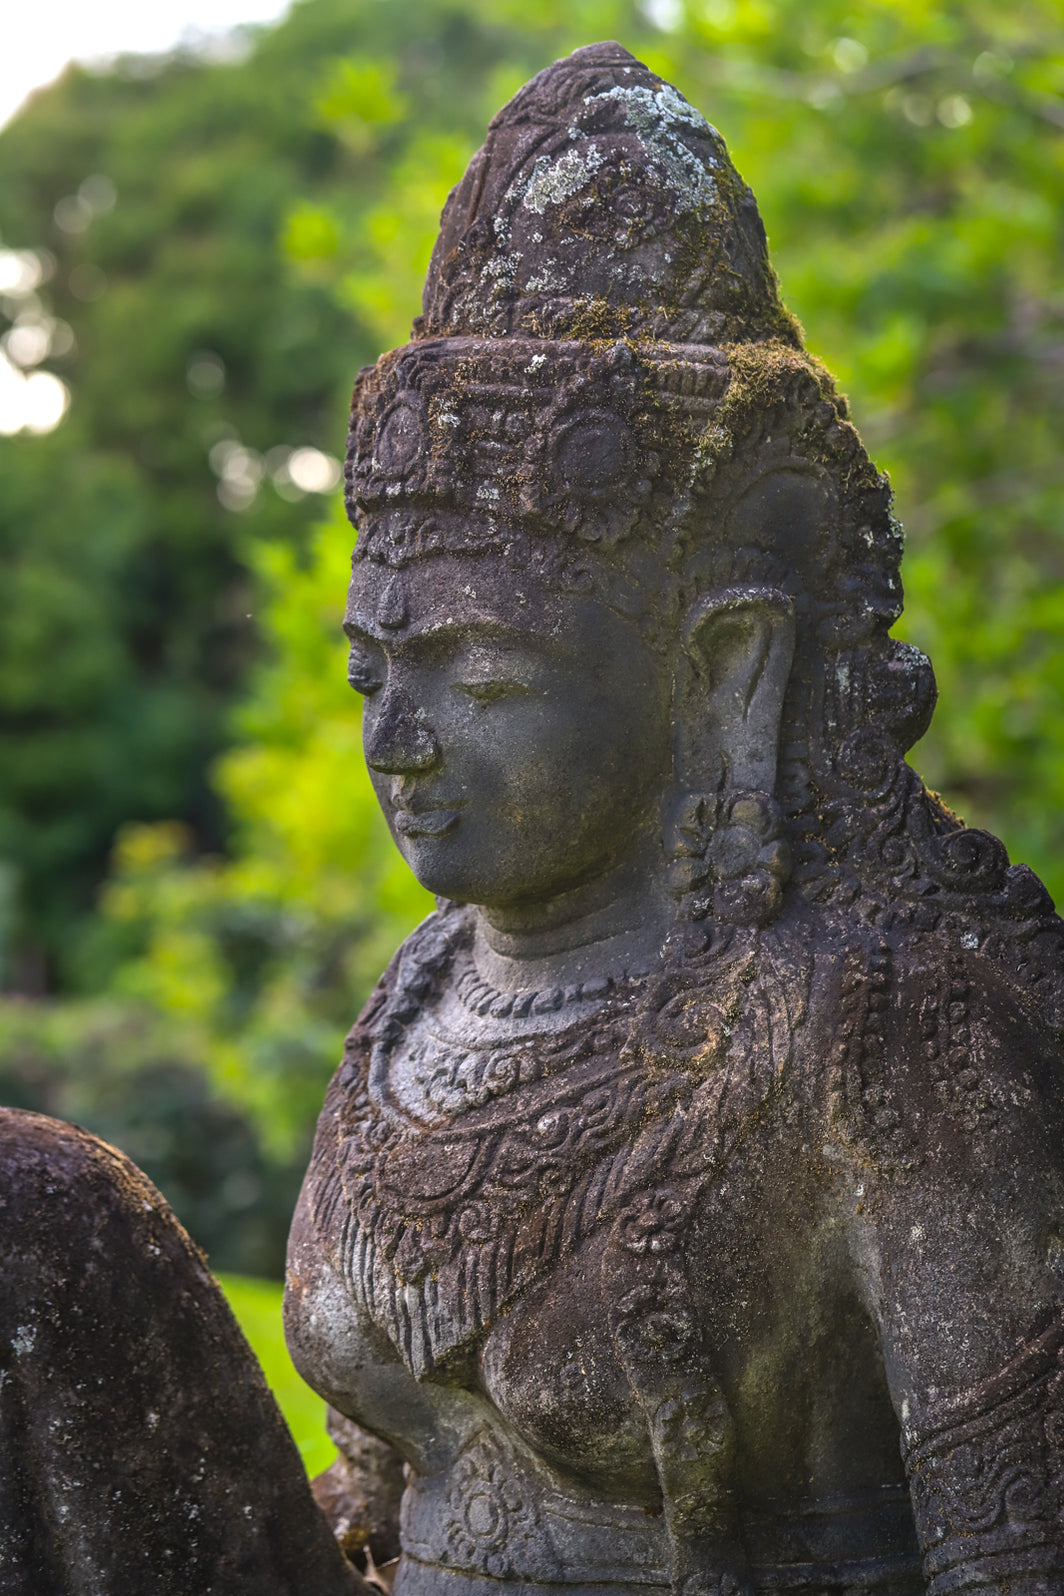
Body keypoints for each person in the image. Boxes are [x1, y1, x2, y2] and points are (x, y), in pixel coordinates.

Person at [4, 40, 1063, 1596]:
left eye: (480, 674)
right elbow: (377, 1496)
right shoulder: (427, 993)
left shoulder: (893, 1025)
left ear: (725, 663)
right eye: (370, 671)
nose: (397, 741)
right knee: (34, 1221)